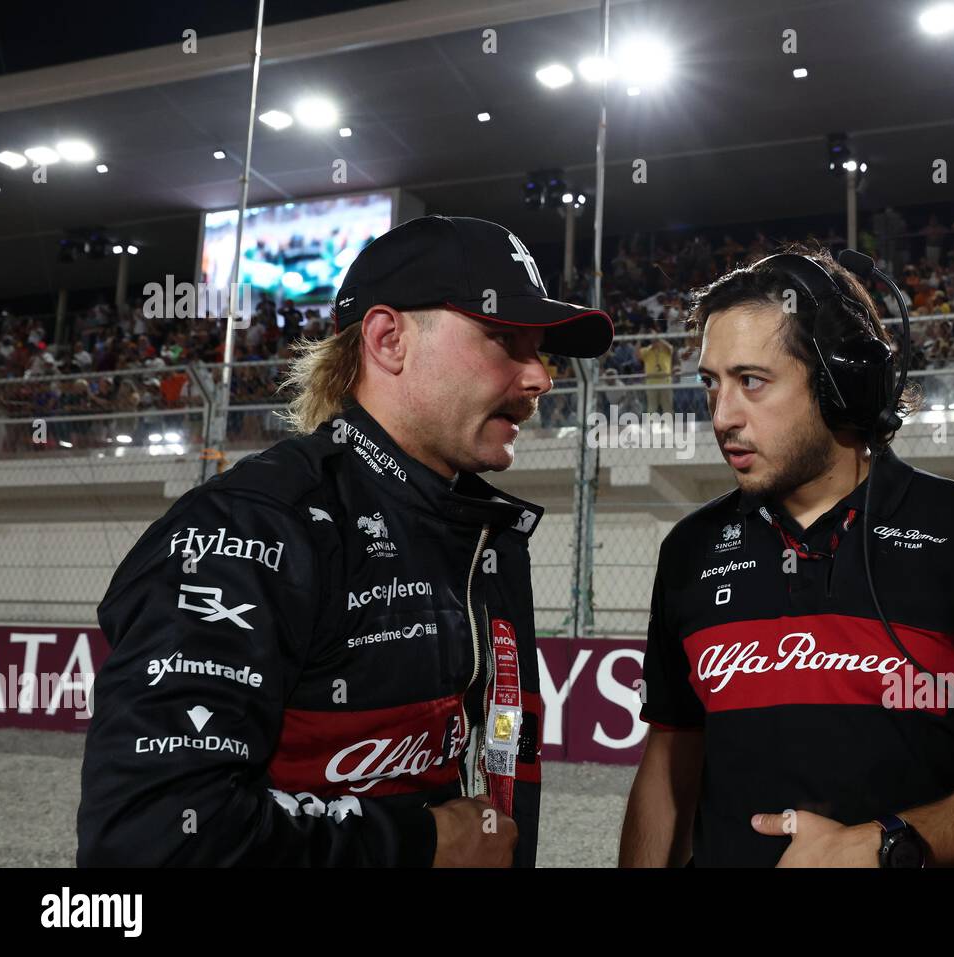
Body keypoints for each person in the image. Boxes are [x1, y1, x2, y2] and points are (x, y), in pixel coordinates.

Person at [77, 215, 613, 867]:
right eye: (506, 339)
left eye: (541, 350)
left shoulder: (480, 533)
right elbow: (146, 839)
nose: (540, 378)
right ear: (388, 339)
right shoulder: (246, 528)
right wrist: (423, 843)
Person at [618, 245, 954, 868]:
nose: (722, 415)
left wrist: (883, 846)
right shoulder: (689, 549)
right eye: (711, 383)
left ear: (841, 383)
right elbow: (667, 767)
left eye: (752, 382)